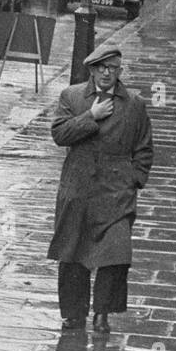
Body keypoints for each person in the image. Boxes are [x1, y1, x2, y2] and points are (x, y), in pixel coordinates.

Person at [48, 47, 154, 332]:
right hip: (78, 186)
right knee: (73, 252)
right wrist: (91, 116)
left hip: (116, 189)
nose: (107, 73)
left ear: (120, 71)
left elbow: (144, 148)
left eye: (113, 68)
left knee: (116, 253)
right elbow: (59, 134)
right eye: (102, 67)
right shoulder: (72, 96)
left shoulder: (134, 104)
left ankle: (103, 313)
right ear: (92, 69)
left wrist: (134, 179)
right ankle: (74, 313)